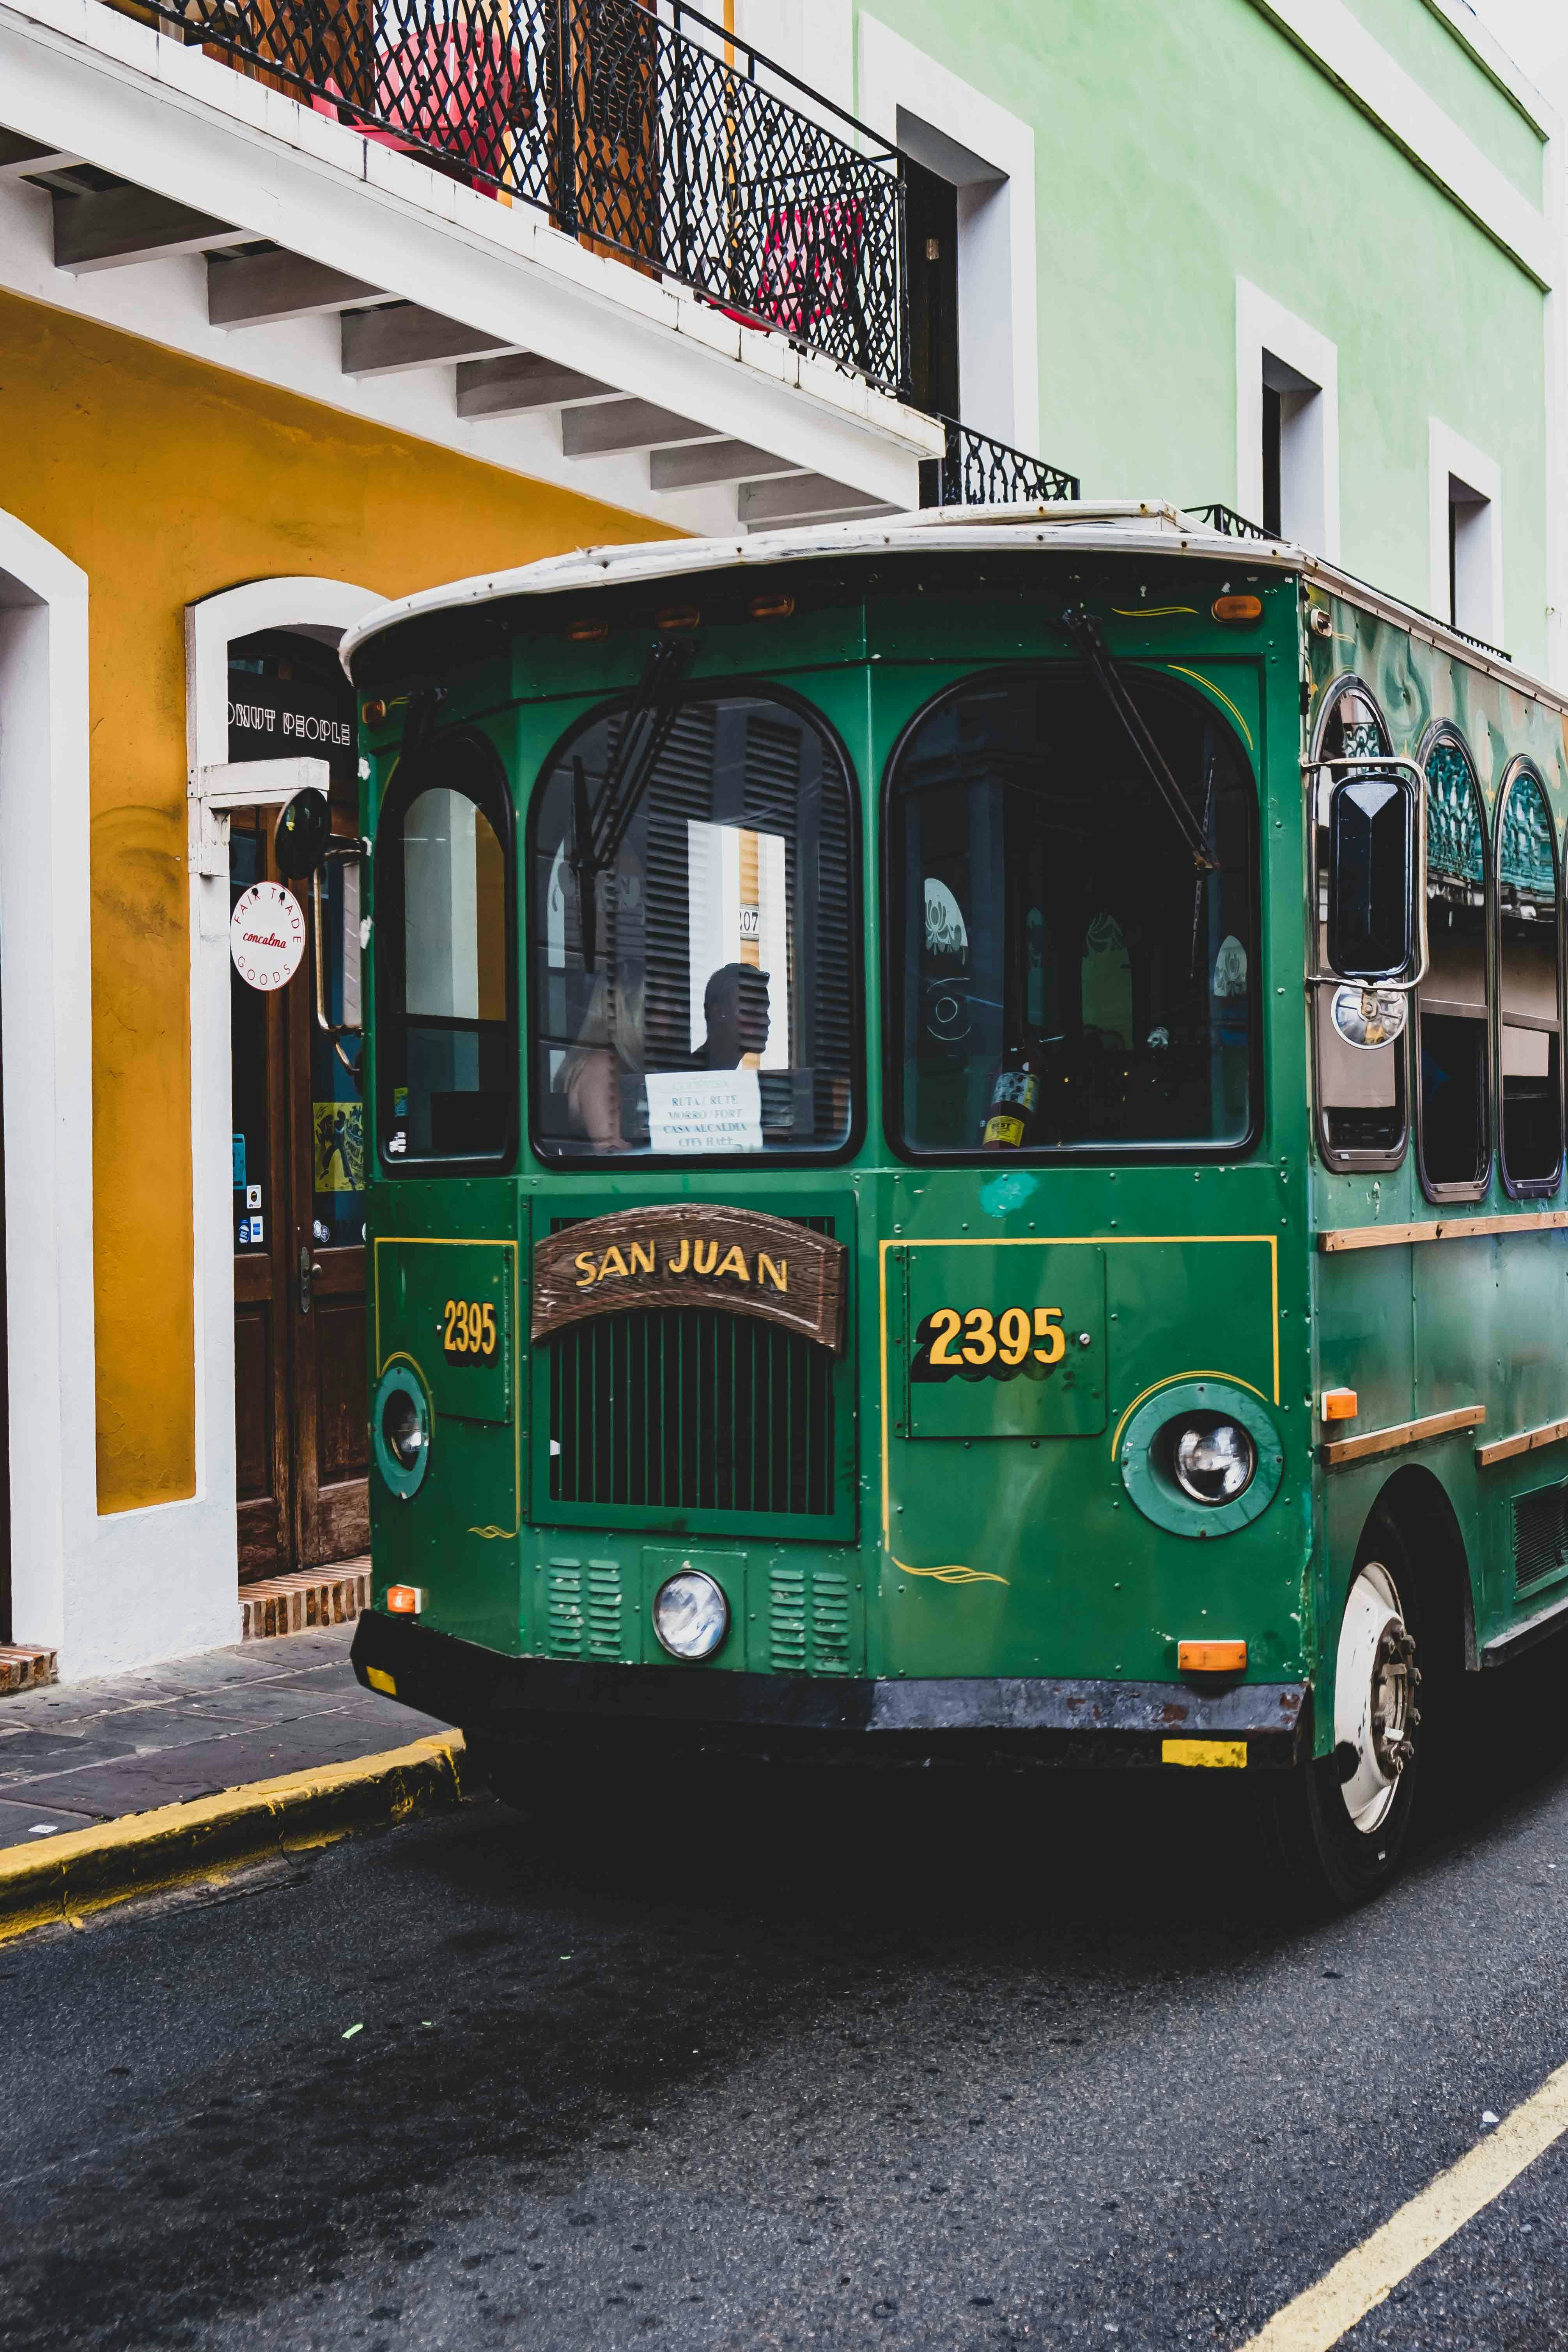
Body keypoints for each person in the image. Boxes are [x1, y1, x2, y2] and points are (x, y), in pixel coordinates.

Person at [556, 959, 645, 1148]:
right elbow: (611, 1153)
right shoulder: (603, 1066)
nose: (677, 1010)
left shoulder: (624, 1063)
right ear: (631, 1010)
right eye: (662, 1003)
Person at [696, 962, 771, 1068]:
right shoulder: (684, 1078)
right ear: (719, 1013)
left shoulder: (731, 1078)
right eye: (752, 1011)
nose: (766, 1021)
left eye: (765, 1011)